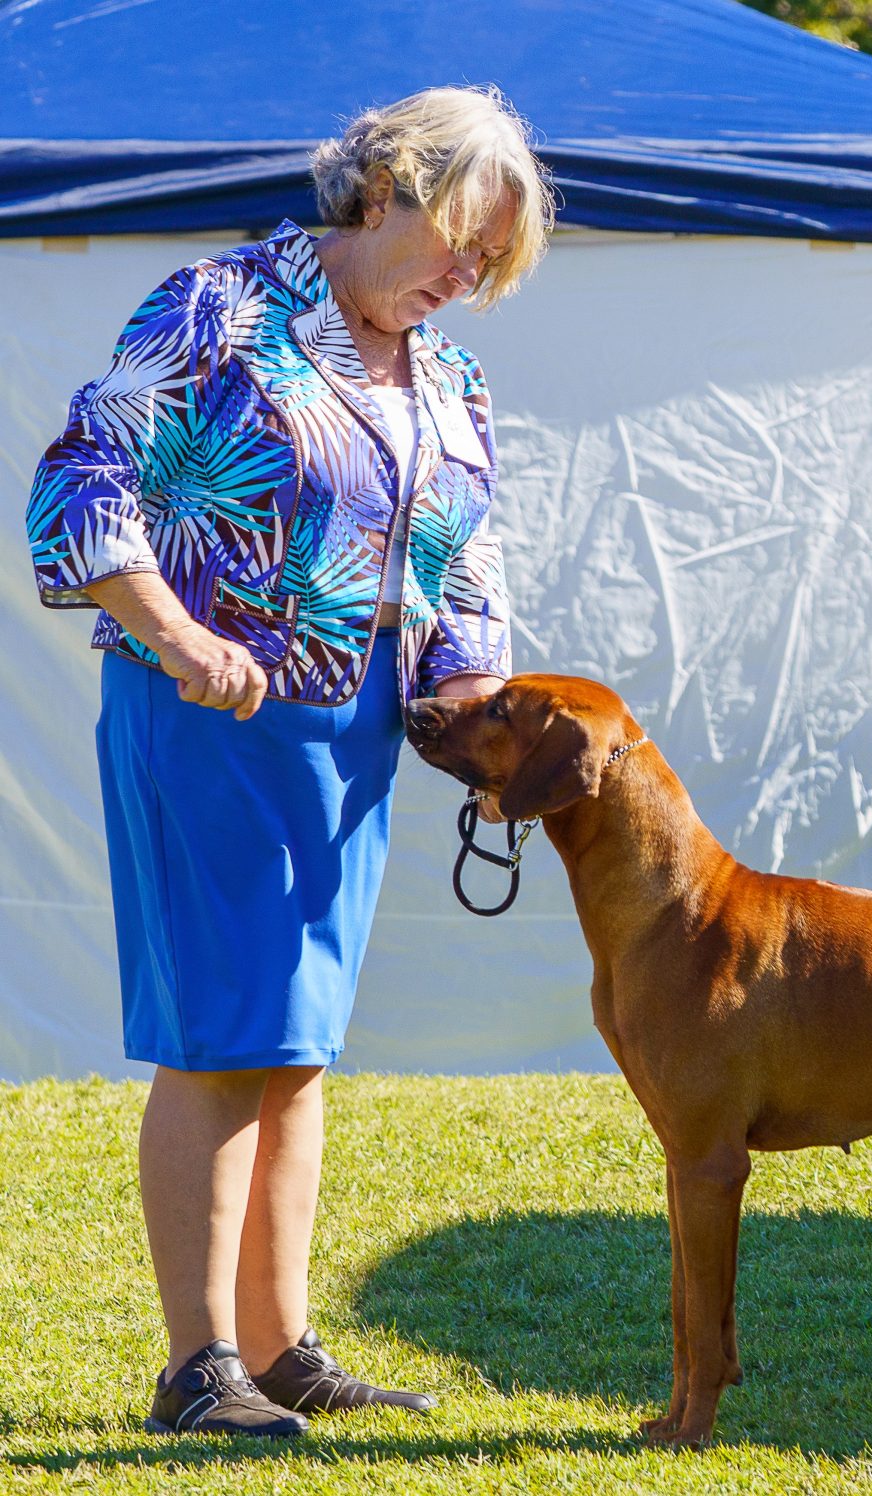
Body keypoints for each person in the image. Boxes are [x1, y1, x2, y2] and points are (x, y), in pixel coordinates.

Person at [25, 85, 552, 1436]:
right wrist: (180, 633)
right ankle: (198, 1369)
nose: (464, 278)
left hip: (358, 732)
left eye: (487, 264)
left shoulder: (449, 372)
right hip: (210, 717)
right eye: (457, 242)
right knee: (221, 1037)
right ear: (382, 193)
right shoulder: (217, 309)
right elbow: (80, 482)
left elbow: (464, 553)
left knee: (299, 1044)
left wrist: (480, 717)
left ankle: (282, 1349)